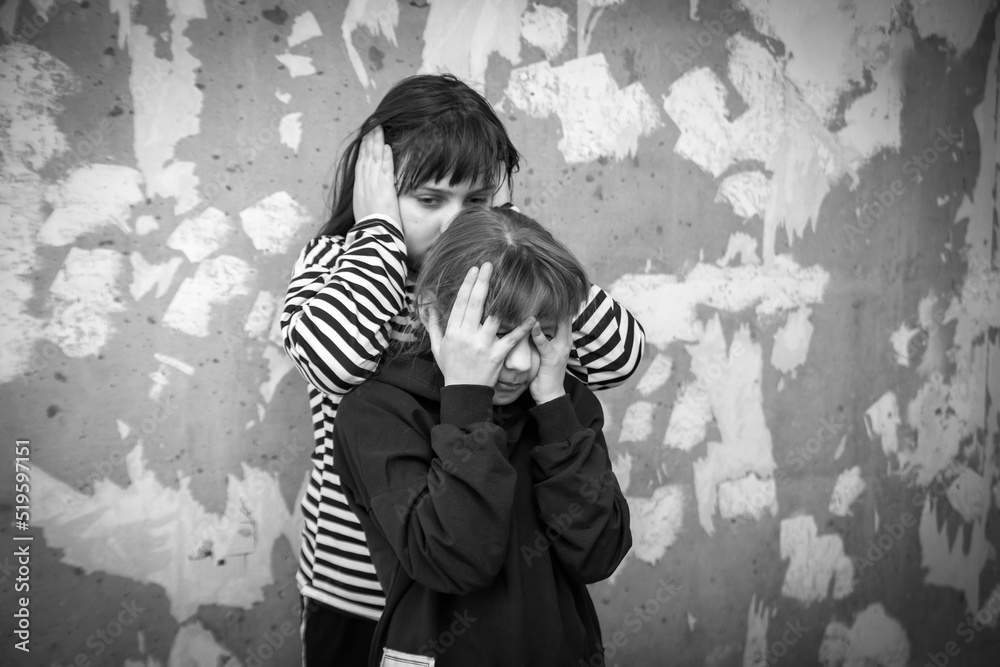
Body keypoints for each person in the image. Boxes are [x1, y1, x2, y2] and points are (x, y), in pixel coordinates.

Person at [281, 73, 645, 667]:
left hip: (488, 577)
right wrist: (378, 237)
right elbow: (331, 361)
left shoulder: (498, 261)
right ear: (378, 192)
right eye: (429, 200)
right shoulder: (340, 263)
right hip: (359, 581)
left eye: (473, 201)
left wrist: (511, 240)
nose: (453, 222)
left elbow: (618, 357)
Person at [333, 205, 632, 666]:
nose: (519, 364)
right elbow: (455, 560)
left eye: (542, 336)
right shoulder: (377, 412)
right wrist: (468, 402)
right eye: (499, 335)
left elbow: (599, 555)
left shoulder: (562, 403)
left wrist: (553, 408)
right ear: (435, 312)